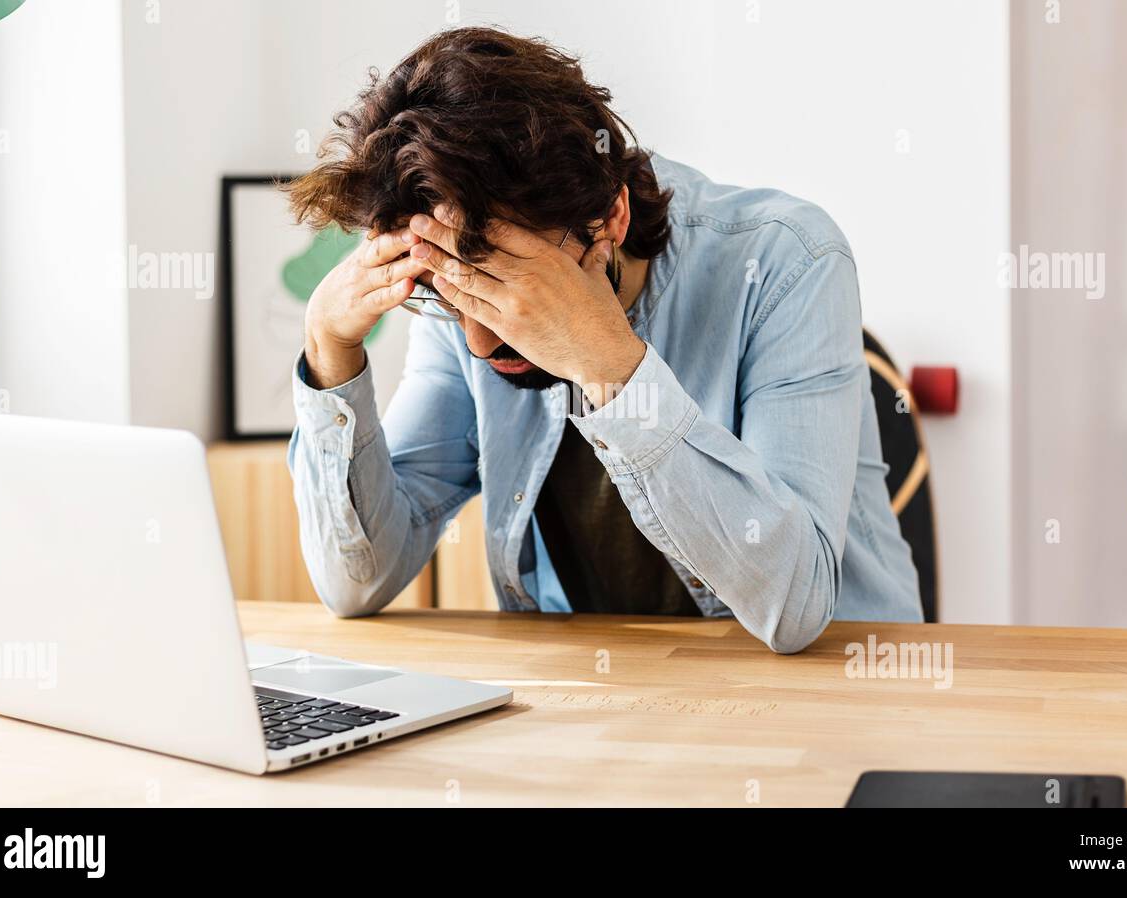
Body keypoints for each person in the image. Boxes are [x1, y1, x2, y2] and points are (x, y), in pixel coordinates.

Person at [284, 26, 921, 653]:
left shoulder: (788, 261)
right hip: (602, 702)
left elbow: (795, 606)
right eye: (448, 291)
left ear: (610, 217)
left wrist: (609, 366)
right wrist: (329, 353)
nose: (478, 341)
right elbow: (356, 586)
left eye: (507, 281)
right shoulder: (461, 310)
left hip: (828, 694)